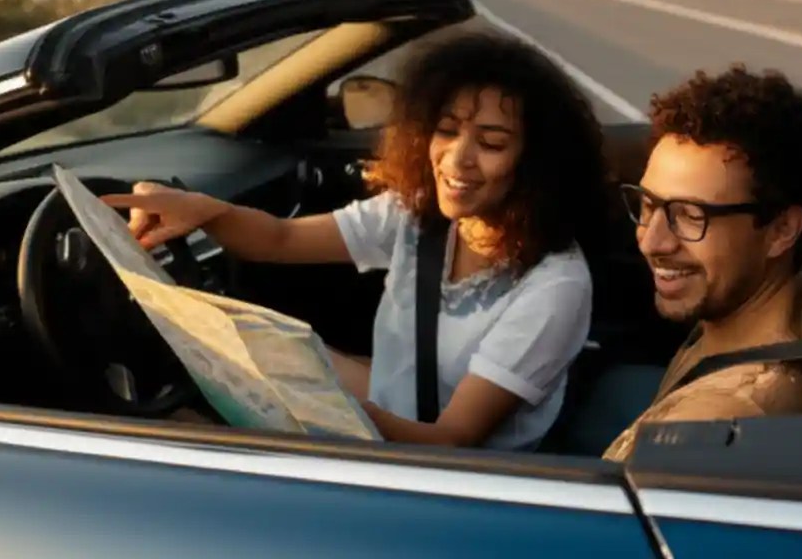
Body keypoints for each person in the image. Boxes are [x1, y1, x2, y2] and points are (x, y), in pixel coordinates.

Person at [102, 28, 612, 451]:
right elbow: (278, 240)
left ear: (538, 162)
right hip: (392, 410)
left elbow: (449, 440)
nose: (457, 160)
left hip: (452, 478)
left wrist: (311, 409)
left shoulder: (555, 288)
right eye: (446, 130)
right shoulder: (418, 215)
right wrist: (201, 210)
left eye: (492, 142)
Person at [603, 65, 802, 462]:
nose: (651, 241)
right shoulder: (789, 311)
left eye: (691, 215)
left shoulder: (718, 424)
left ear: (781, 229)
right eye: (648, 205)